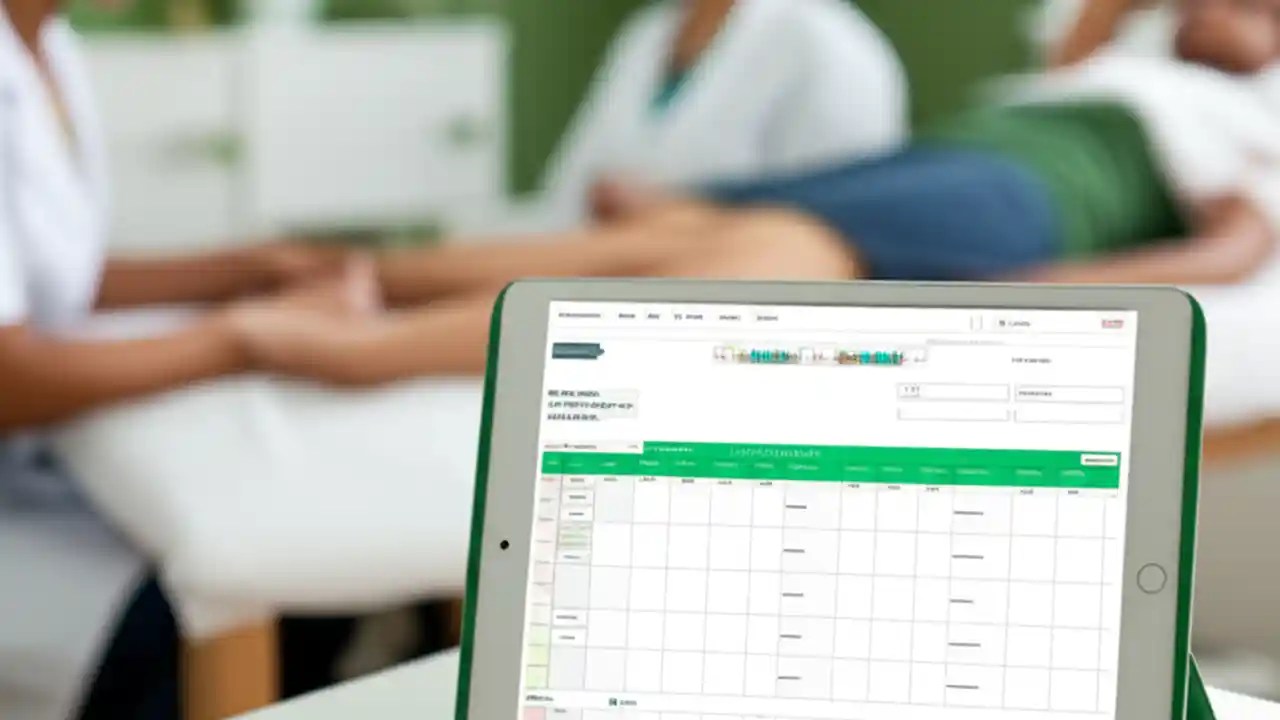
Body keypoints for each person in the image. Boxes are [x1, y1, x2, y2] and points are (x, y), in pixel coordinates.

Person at [238, 0, 1280, 385]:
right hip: (952, 150)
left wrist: (1063, 287)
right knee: (697, 223)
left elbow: (1232, 249)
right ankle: (366, 278)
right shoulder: (1114, 71)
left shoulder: (1249, 119)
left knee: (773, 254)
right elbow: (1079, 34)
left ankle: (362, 348)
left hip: (1022, 199)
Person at [0, 2, 377, 719]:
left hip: (42, 462)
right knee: (210, 618)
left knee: (314, 576)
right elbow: (7, 378)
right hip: (15, 503)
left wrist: (242, 269)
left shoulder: (47, 46)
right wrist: (243, 338)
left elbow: (57, 275)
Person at [536, 0, 907, 228]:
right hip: (607, 285)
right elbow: (566, 195)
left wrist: (681, 214)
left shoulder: (826, 40)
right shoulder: (647, 32)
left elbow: (844, 228)